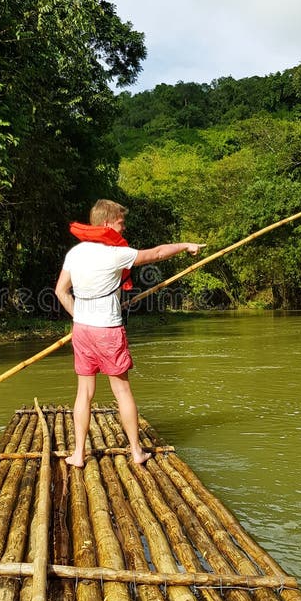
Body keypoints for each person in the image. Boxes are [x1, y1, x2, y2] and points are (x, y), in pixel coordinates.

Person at [55, 199, 203, 467]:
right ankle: (136, 451)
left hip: (82, 331)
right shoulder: (115, 254)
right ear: (108, 223)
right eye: (121, 223)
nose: (123, 228)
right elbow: (157, 253)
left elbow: (60, 292)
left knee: (84, 393)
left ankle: (78, 455)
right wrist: (186, 246)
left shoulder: (74, 254)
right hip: (108, 330)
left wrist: (80, 317)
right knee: (122, 391)